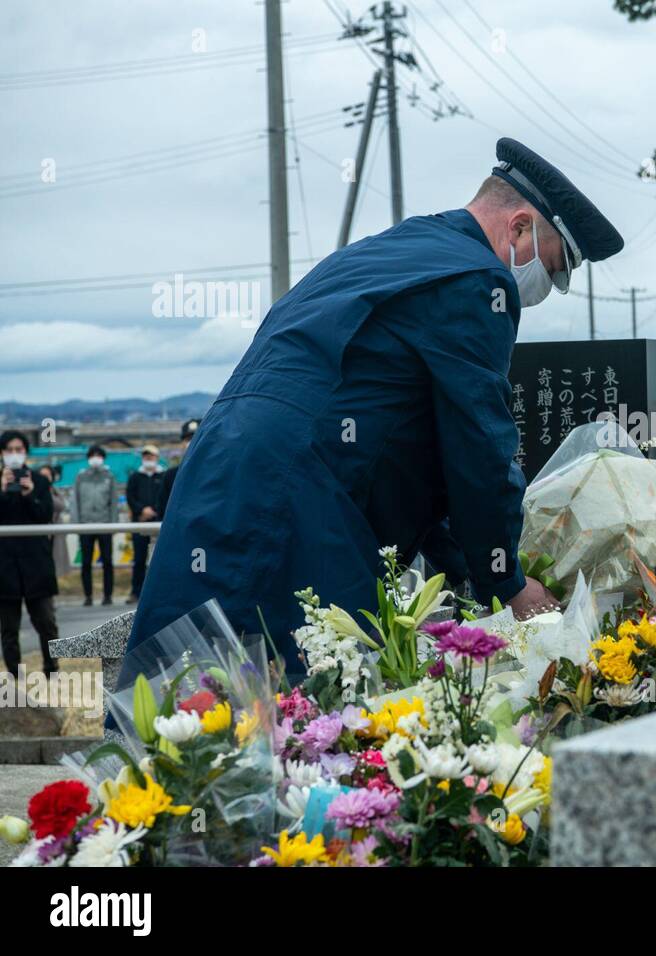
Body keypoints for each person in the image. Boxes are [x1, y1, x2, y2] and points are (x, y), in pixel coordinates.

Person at [126, 138, 624, 678]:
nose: (543, 288)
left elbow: (422, 449)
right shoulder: (478, 280)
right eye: (552, 267)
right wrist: (506, 582)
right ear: (520, 227)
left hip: (225, 461)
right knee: (313, 685)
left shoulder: (393, 248)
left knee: (190, 673)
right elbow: (478, 444)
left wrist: (465, 568)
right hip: (302, 486)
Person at [0, 430, 59, 677]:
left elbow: (45, 516)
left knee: (46, 622)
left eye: (19, 450)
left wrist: (31, 493)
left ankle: (52, 670)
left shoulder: (40, 480)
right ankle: (15, 677)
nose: (14, 455)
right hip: (4, 564)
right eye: (9, 450)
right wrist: (3, 490)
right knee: (9, 627)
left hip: (35, 561)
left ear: (26, 452)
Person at [73, 445, 116, 606]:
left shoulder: (109, 477)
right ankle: (88, 595)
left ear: (103, 458)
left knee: (107, 561)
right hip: (85, 525)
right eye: (93, 455)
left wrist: (113, 525)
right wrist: (76, 524)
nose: (96, 458)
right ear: (88, 458)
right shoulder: (81, 477)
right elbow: (74, 501)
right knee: (86, 562)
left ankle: (107, 595)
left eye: (99, 455)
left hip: (105, 524)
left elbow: (113, 502)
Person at [125, 444, 165, 603]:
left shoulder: (163, 476)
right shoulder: (135, 477)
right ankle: (136, 592)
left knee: (159, 559)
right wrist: (141, 510)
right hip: (140, 523)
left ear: (157, 457)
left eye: (152, 456)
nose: (149, 459)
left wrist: (155, 510)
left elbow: (166, 497)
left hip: (159, 523)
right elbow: (130, 497)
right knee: (139, 559)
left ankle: (160, 592)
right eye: (146, 456)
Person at [156, 418, 199, 519]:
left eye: (196, 438)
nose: (192, 443)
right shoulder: (171, 475)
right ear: (182, 444)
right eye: (188, 439)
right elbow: (162, 508)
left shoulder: (216, 472)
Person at [38, 463, 73, 577]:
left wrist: (46, 491)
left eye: (47, 475)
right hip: (40, 532)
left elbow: (61, 506)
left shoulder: (54, 491)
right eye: (42, 475)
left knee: (55, 561)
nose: (45, 477)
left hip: (55, 532)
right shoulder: (33, 491)